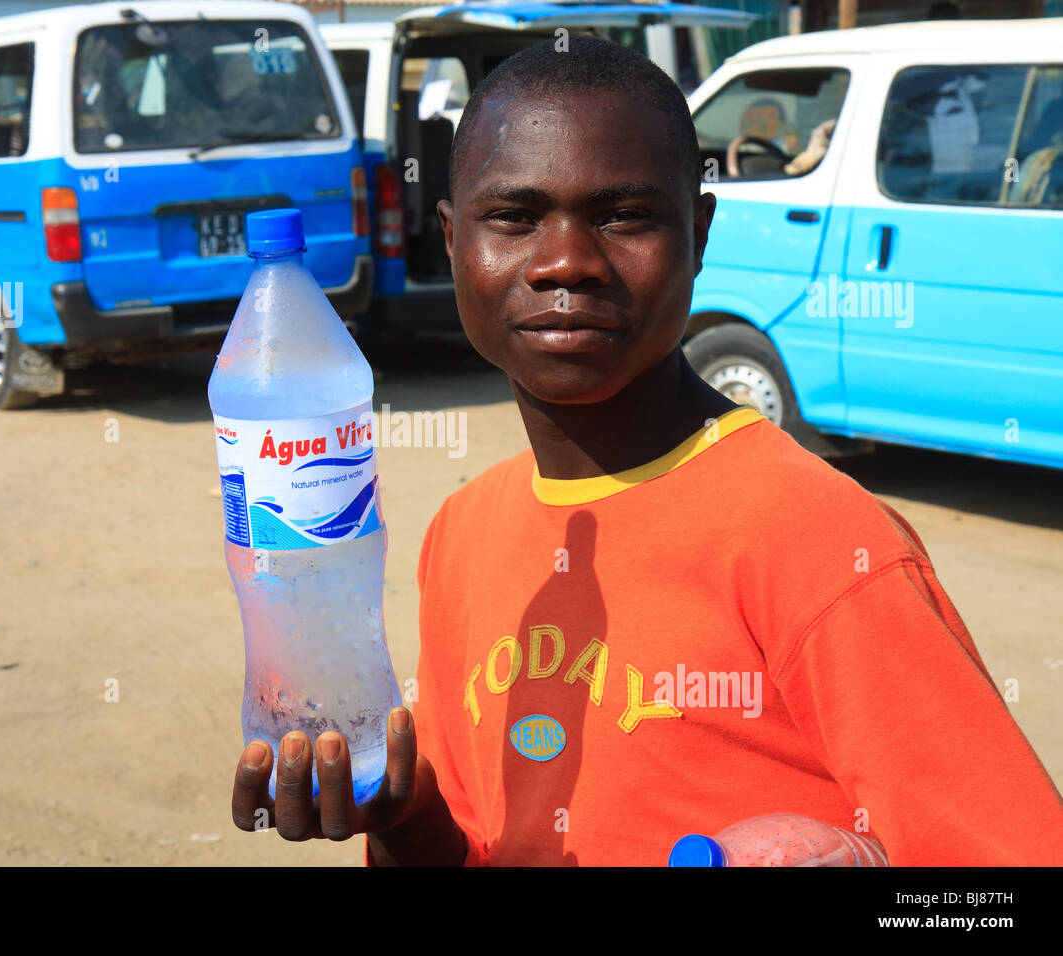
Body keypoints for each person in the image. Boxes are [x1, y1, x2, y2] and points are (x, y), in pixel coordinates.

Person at [229, 37, 1063, 865]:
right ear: (452, 242)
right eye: (514, 219)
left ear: (698, 234)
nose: (567, 262)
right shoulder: (461, 532)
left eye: (624, 216)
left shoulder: (818, 542)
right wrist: (406, 823)